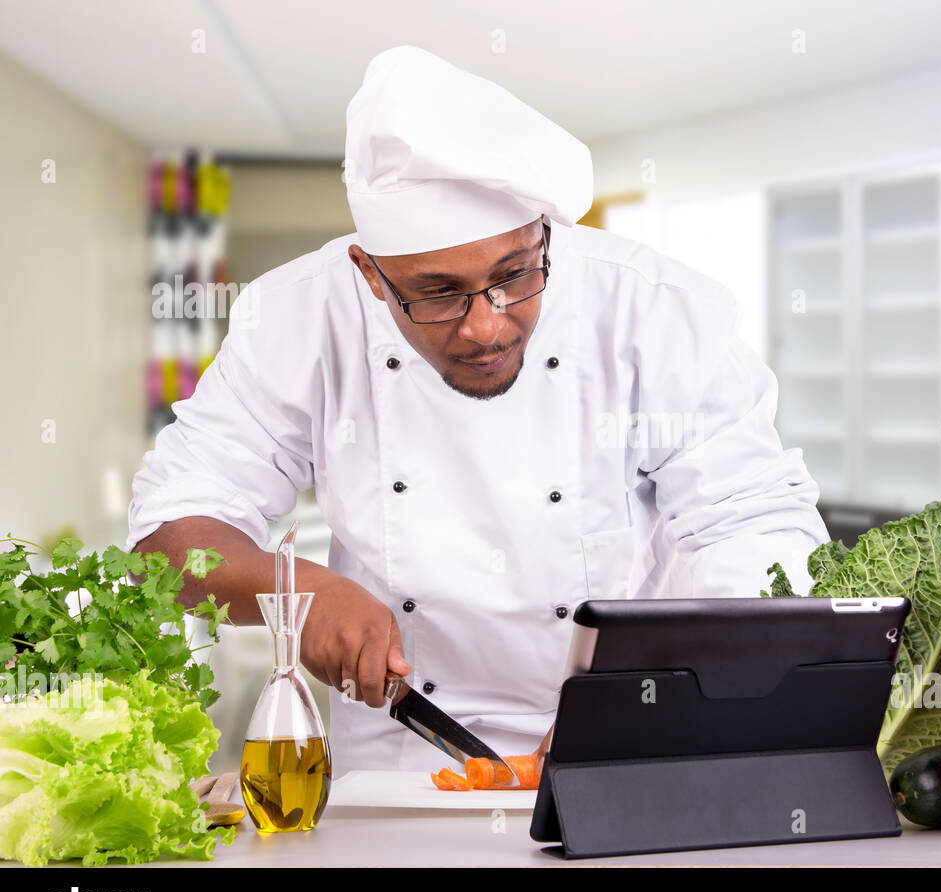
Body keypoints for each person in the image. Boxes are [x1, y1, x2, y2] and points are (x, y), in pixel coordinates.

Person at [126, 46, 828, 775]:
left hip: (635, 743)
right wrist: (296, 591)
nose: (487, 325)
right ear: (370, 274)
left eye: (514, 275)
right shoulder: (296, 319)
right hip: (398, 769)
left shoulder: (655, 312)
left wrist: (682, 692)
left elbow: (755, 529)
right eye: (436, 293)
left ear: (546, 236)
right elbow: (167, 538)